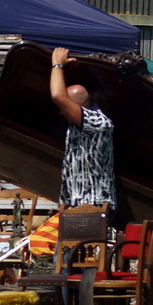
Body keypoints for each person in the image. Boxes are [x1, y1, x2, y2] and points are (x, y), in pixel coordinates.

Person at [48, 47, 115, 208]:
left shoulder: (98, 123)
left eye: (65, 108)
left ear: (76, 106)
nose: (61, 112)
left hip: (92, 206)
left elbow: (58, 96)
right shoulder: (77, 125)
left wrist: (57, 64)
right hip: (77, 206)